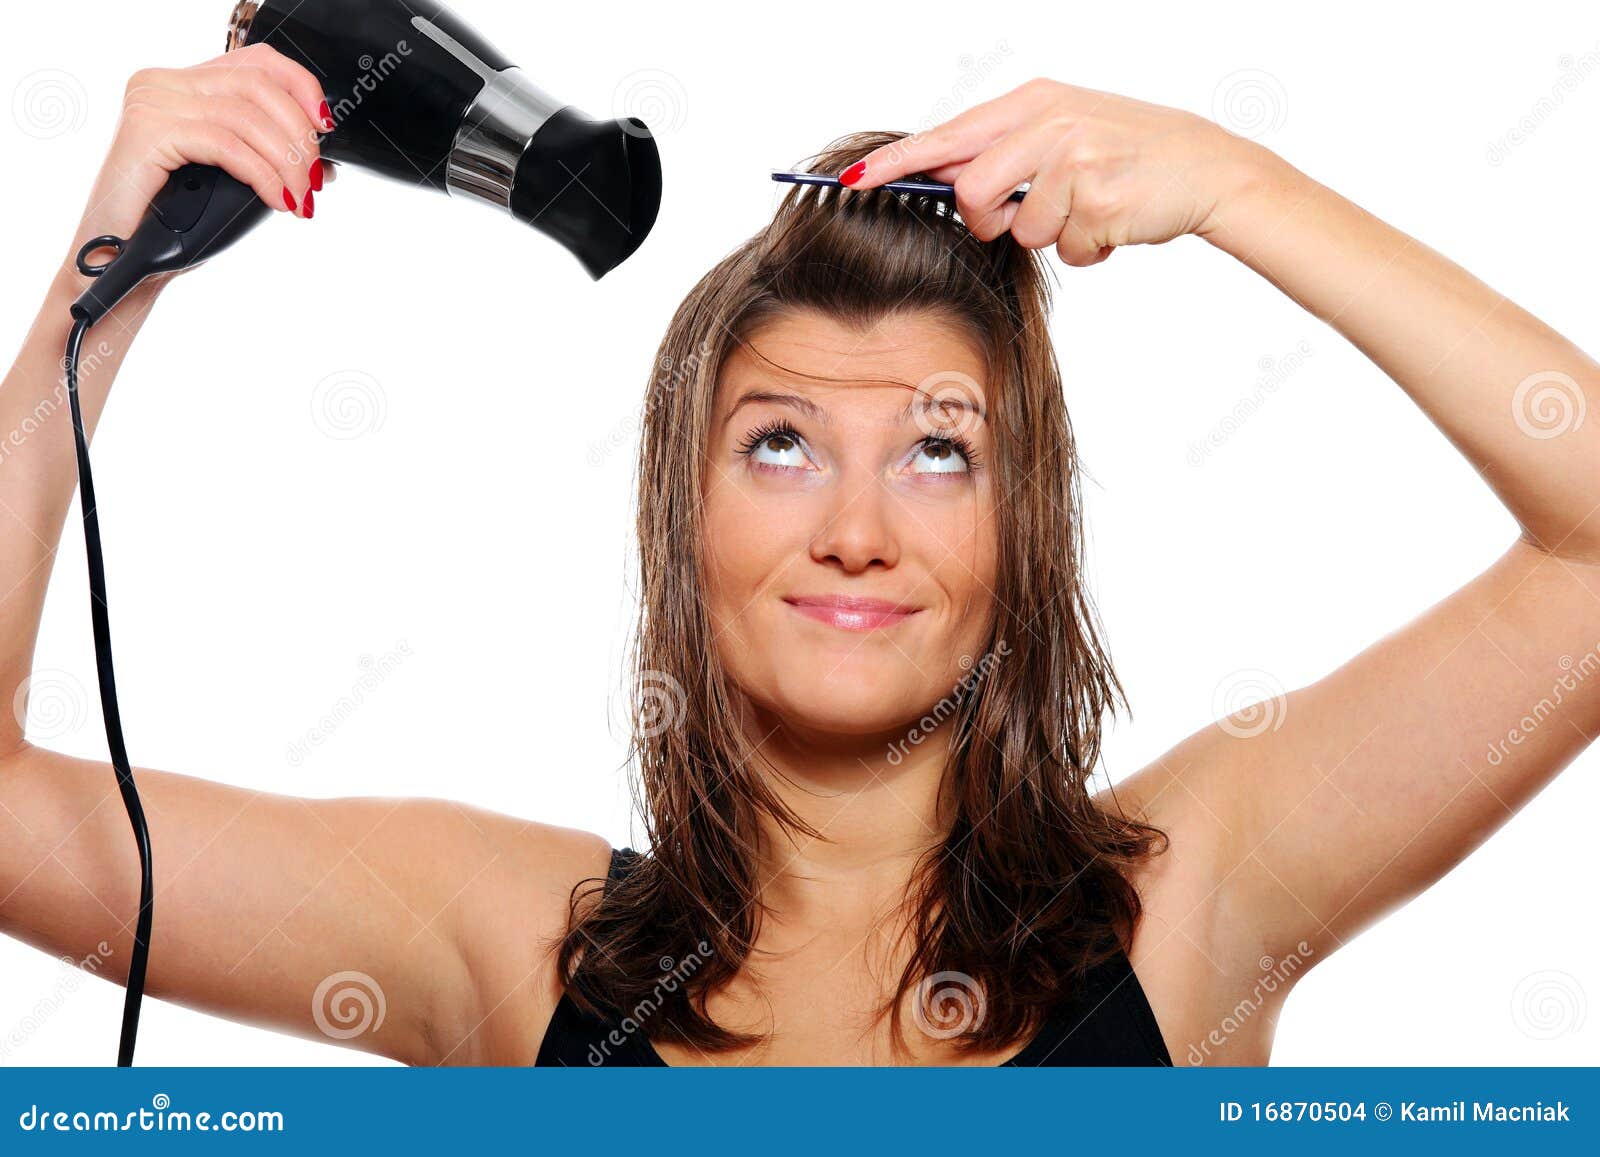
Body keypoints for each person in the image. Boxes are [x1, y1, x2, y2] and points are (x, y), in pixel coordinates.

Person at [2, 48, 1596, 1066]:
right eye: (779, 442)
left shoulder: (1197, 901)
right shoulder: (497, 939)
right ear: (679, 518)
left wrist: (1241, 185)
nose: (854, 525)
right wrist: (114, 267)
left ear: (1019, 529)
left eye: (937, 449)